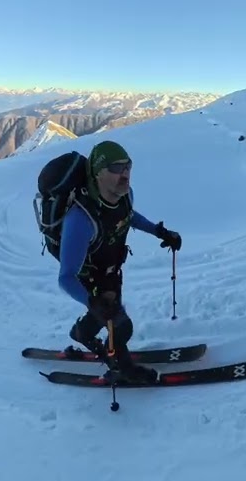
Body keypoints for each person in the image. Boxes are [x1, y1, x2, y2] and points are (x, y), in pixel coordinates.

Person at [56, 139, 181, 383]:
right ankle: (124, 369)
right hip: (89, 277)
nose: (124, 174)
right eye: (115, 168)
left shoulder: (124, 196)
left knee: (109, 316)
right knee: (121, 325)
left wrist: (159, 231)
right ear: (98, 173)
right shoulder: (80, 220)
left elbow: (129, 216)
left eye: (127, 166)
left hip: (112, 270)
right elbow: (65, 277)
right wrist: (92, 301)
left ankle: (81, 333)